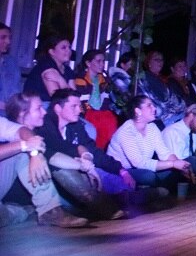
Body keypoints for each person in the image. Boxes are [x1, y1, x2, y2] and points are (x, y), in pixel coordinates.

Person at [35, 89, 127, 220]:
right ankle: (102, 206)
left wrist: (119, 169)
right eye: (74, 106)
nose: (79, 110)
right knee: (65, 169)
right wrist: (83, 160)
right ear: (57, 108)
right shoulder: (44, 124)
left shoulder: (76, 125)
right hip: (53, 183)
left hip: (80, 174)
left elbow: (92, 150)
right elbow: (54, 148)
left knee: (117, 184)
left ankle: (135, 196)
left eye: (79, 106)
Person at [1, 92, 88, 228]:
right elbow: (54, 156)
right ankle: (20, 211)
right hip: (14, 196)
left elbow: (20, 130)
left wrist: (35, 152)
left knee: (25, 152)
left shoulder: (39, 130)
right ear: (22, 114)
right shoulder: (45, 129)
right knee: (15, 214)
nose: (44, 112)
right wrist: (26, 145)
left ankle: (49, 211)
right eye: (38, 109)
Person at [107, 94, 192, 194]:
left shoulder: (152, 128)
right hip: (123, 171)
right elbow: (139, 163)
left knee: (175, 172)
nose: (154, 108)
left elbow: (164, 153)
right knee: (148, 176)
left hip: (144, 168)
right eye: (149, 105)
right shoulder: (126, 132)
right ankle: (154, 193)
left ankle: (157, 191)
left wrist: (181, 165)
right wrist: (173, 164)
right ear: (138, 111)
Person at [73, 49, 118, 149]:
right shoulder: (80, 79)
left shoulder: (104, 80)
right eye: (98, 61)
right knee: (98, 121)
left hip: (101, 113)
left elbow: (106, 101)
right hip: (86, 112)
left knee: (110, 120)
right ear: (88, 63)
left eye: (103, 61)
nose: (102, 64)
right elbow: (82, 103)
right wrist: (93, 112)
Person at [23, 34, 74, 104]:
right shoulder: (46, 66)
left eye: (69, 47)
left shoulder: (67, 69)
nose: (69, 51)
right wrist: (63, 83)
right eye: (63, 48)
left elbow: (74, 96)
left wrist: (60, 80)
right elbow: (57, 98)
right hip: (36, 106)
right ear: (52, 52)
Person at [0, 22, 23, 112]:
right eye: (3, 37)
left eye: (9, 38)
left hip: (10, 114)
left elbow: (15, 93)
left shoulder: (11, 63)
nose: (8, 42)